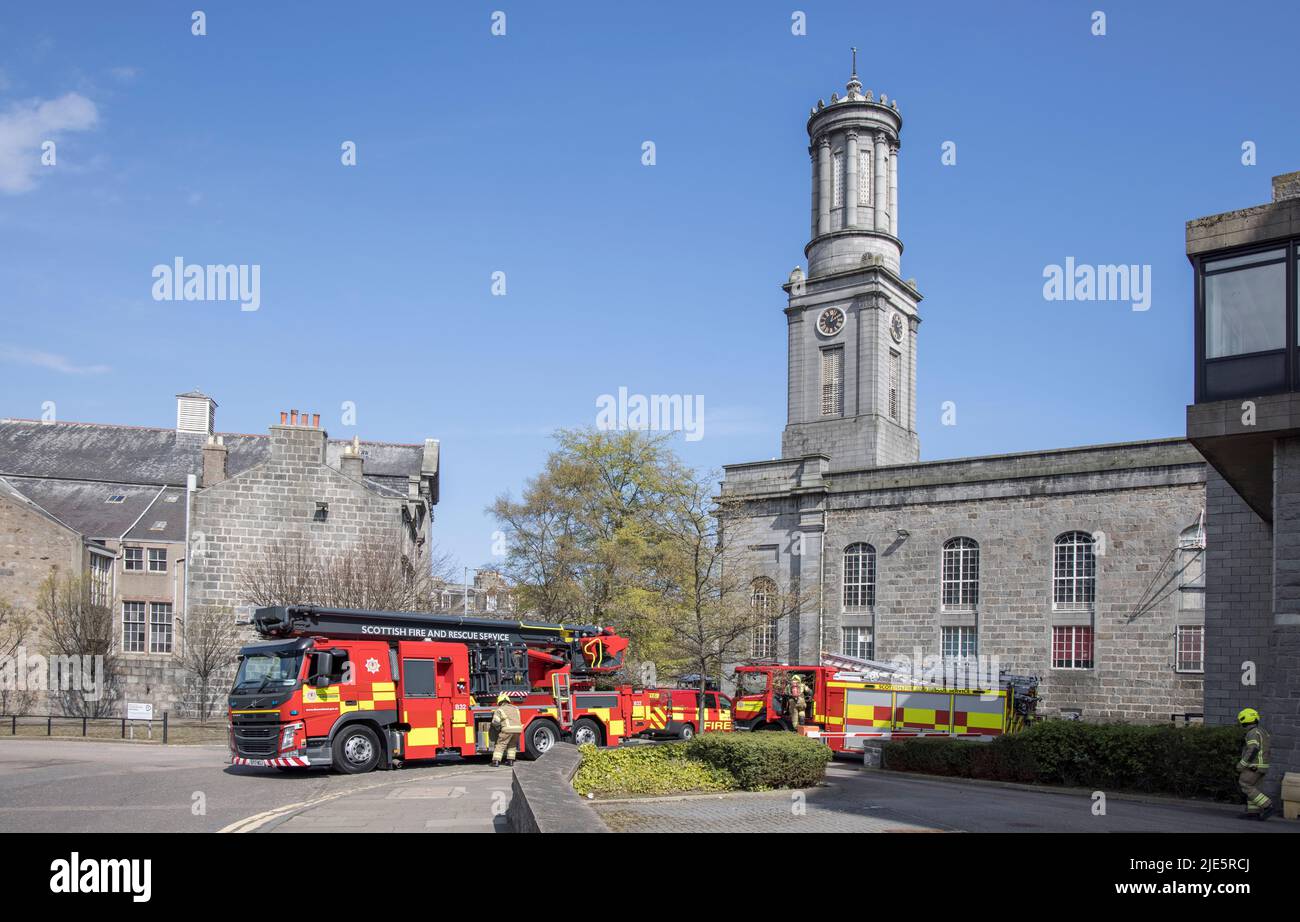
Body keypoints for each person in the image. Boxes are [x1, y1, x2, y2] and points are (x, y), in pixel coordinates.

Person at [1235, 708, 1274, 821]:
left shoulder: (1252, 733)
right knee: (1254, 787)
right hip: (1262, 766)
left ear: (1244, 720)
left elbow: (1253, 750)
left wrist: (1242, 764)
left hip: (1254, 765)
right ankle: (1253, 813)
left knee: (1245, 783)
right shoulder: (1262, 731)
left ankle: (1267, 805)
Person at [491, 691, 523, 767]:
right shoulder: (516, 708)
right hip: (518, 729)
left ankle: (496, 762)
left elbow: (495, 721)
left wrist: (498, 728)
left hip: (507, 729)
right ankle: (510, 761)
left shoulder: (499, 710)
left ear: (499, 702)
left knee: (501, 744)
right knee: (512, 745)